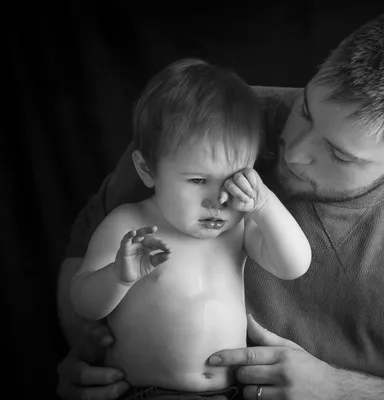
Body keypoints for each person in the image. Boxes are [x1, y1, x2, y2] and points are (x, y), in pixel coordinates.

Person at [56, 9, 384, 400]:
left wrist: (340, 391)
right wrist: (90, 355)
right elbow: (85, 255)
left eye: (338, 153)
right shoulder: (210, 126)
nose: (295, 150)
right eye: (306, 110)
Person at [67, 58, 311, 399]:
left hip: (234, 390)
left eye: (235, 180)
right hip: (153, 391)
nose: (219, 199)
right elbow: (84, 304)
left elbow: (294, 266)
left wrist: (263, 205)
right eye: (198, 180)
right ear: (147, 169)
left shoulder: (238, 227)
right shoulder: (129, 224)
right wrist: (117, 276)